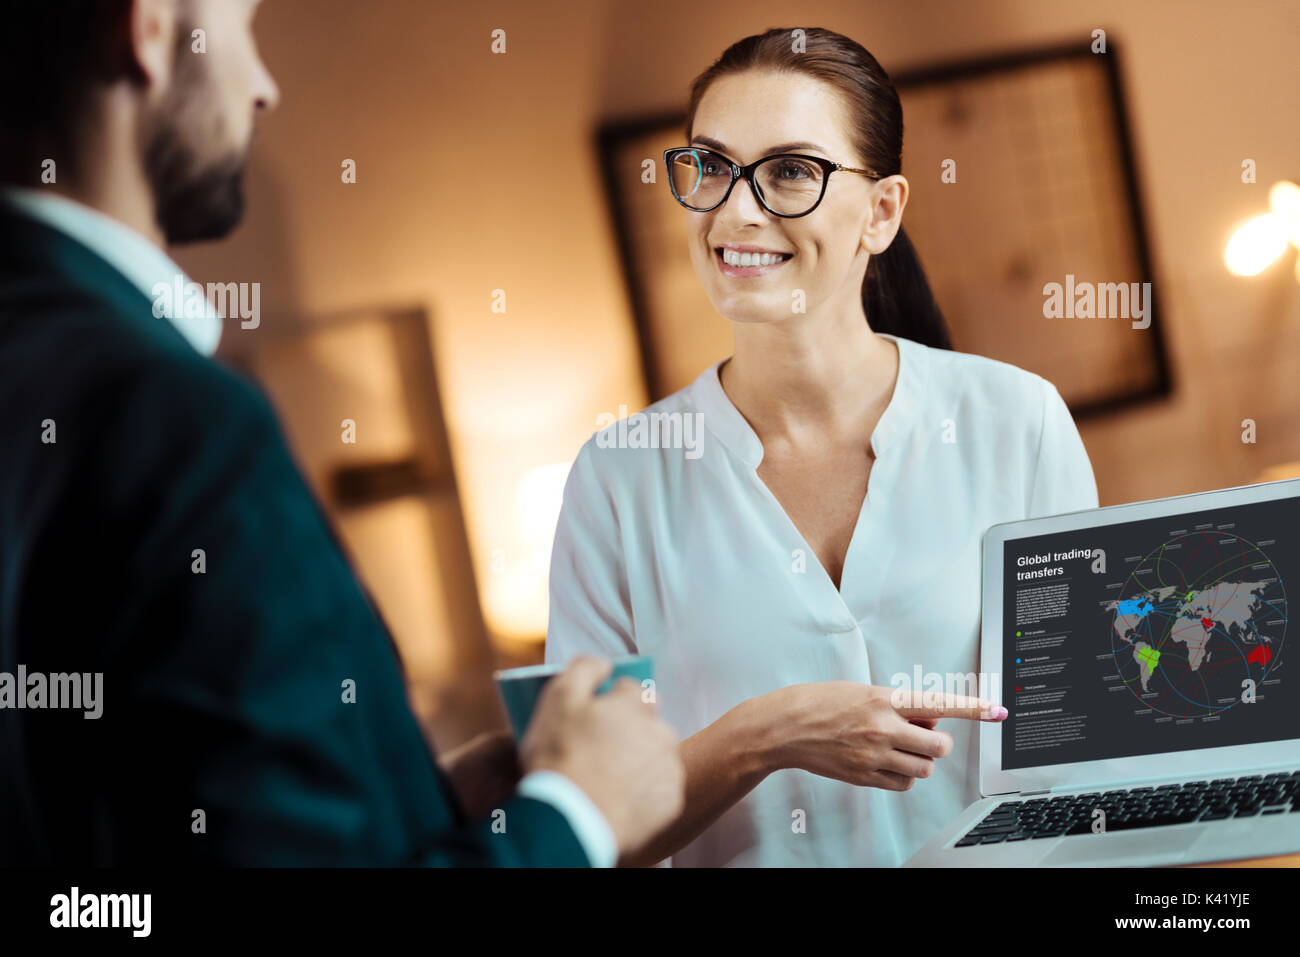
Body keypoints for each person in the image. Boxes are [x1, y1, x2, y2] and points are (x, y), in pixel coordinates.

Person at [0, 0, 684, 866]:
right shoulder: (182, 421)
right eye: (245, 27)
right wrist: (573, 816)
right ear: (147, 31)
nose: (266, 88)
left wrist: (422, 806)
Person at [546, 27, 1099, 867]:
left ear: (881, 213)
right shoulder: (618, 479)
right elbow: (587, 830)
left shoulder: (1015, 420)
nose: (736, 211)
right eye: (711, 166)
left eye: (791, 171)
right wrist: (764, 733)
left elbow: (1083, 760)